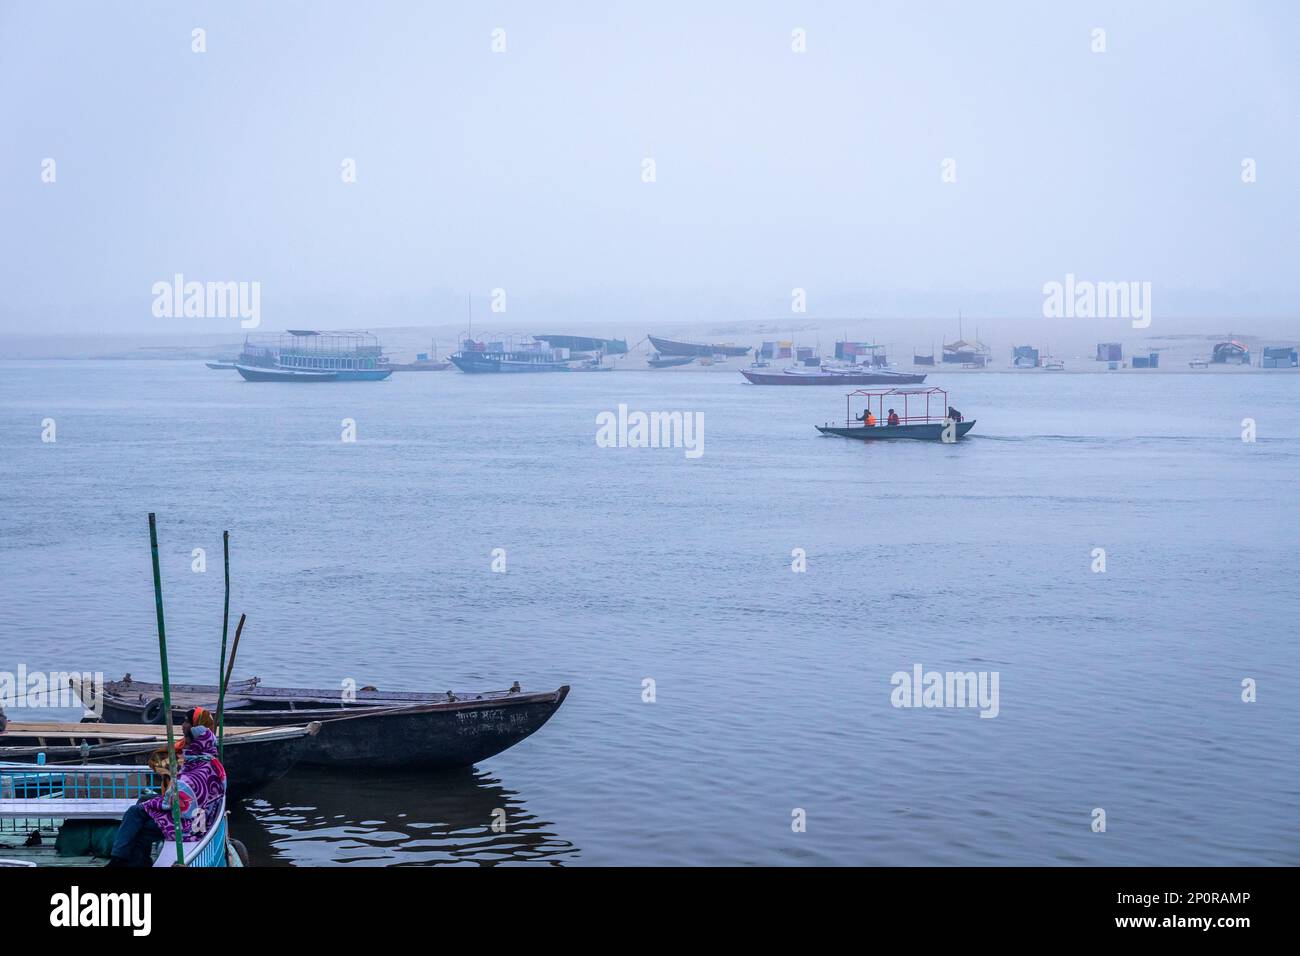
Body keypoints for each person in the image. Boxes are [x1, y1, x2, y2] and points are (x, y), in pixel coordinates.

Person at [106, 714, 226, 867]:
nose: (186, 746)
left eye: (188, 742)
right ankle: (131, 859)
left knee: (135, 815)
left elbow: (177, 806)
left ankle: (118, 860)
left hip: (192, 824)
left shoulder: (194, 774)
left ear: (196, 744)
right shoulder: (213, 763)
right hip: (202, 815)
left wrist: (150, 805)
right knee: (141, 808)